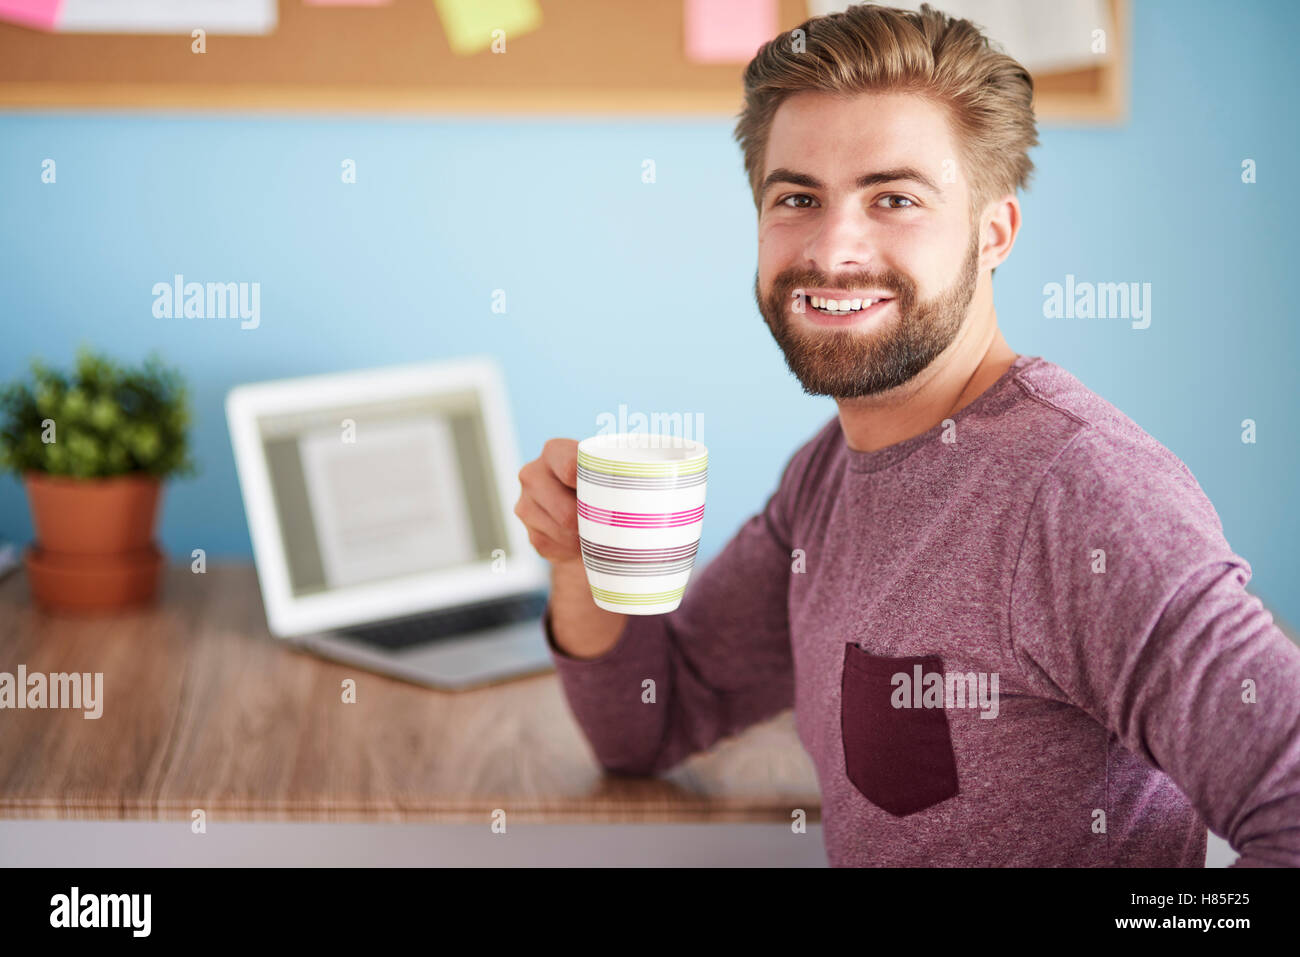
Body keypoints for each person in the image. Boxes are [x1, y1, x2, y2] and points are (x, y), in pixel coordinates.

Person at [512, 2, 1300, 866]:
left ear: (992, 233)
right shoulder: (826, 477)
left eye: (894, 198)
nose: (835, 248)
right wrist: (576, 560)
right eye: (797, 198)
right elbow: (652, 719)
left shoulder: (1080, 492)